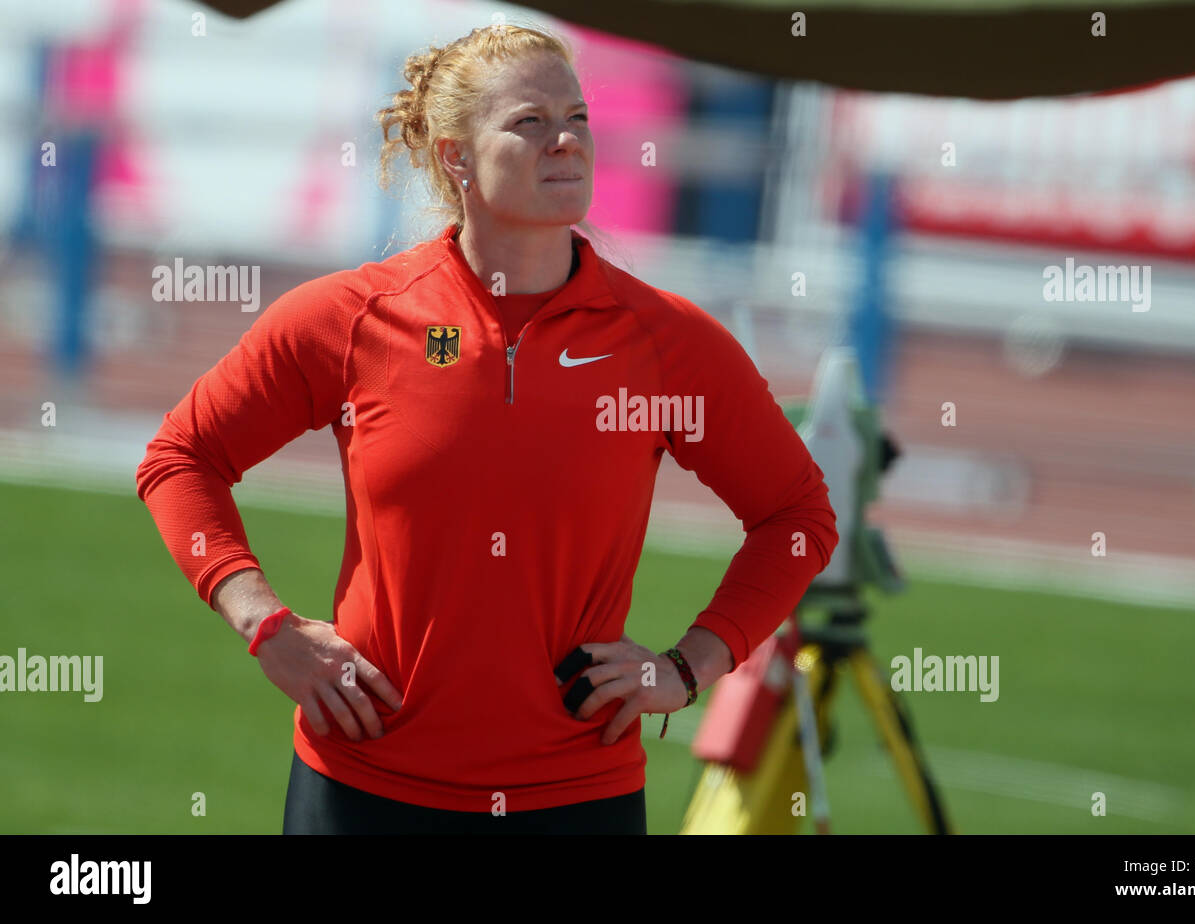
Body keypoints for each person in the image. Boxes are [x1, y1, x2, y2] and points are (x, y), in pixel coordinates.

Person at [135, 23, 838, 835]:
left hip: (578, 798)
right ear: (455, 158)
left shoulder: (665, 343)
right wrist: (265, 624)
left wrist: (691, 666)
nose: (567, 141)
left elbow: (797, 515)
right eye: (530, 122)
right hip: (360, 786)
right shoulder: (351, 319)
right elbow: (181, 457)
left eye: (577, 117)